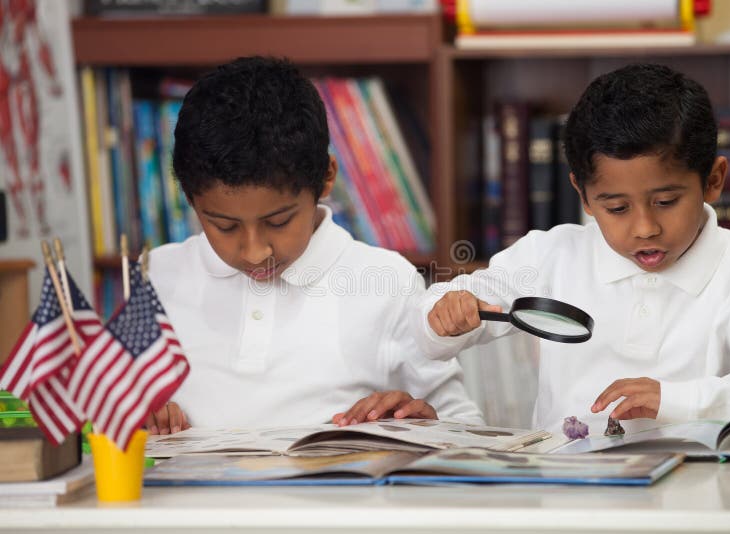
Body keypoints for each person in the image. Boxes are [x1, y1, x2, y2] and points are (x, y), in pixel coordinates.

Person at [410, 63, 730, 435]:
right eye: (617, 208)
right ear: (582, 194)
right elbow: (430, 334)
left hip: (694, 487)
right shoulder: (551, 254)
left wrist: (678, 399)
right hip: (566, 489)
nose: (645, 228)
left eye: (665, 202)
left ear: (713, 181)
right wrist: (445, 314)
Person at [144, 56, 483, 434]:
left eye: (278, 221)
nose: (255, 251)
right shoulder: (158, 277)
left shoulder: (388, 283)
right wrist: (134, 420)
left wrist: (421, 422)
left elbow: (467, 429)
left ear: (325, 179)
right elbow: (103, 422)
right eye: (223, 225)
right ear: (190, 199)